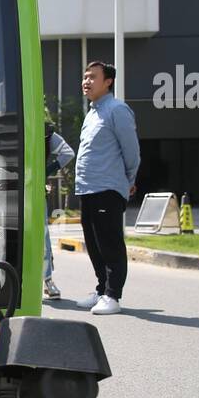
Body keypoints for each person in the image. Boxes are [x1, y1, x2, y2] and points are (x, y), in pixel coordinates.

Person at [74, 61, 140, 315]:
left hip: (107, 188)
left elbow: (131, 150)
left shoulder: (117, 109)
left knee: (110, 244)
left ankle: (113, 296)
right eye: (85, 77)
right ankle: (102, 290)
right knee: (94, 244)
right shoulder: (92, 112)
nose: (86, 81)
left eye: (92, 77)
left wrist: (128, 180)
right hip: (87, 189)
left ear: (108, 81)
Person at [43, 122, 75, 299]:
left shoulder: (46, 133)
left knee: (42, 237)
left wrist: (47, 170)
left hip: (35, 191)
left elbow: (68, 153)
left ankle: (47, 280)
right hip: (11, 189)